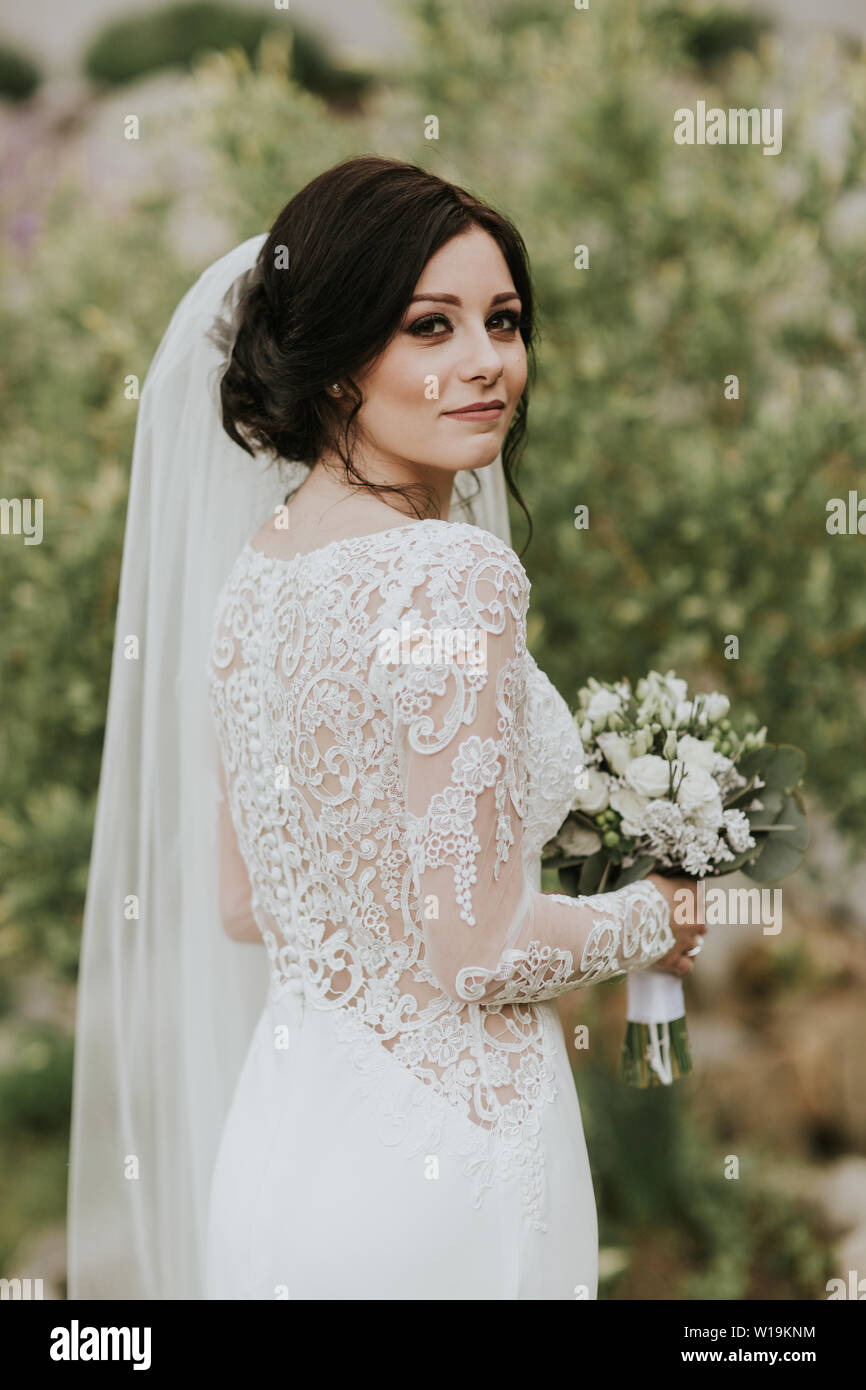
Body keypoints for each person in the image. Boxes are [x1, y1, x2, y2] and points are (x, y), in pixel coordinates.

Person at [68, 155, 704, 1302]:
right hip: (447, 1159)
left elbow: (245, 899)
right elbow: (477, 949)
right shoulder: (448, 577)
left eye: (502, 321)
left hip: (283, 1144)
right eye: (428, 326)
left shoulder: (258, 575)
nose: (485, 363)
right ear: (336, 362)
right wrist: (645, 919)